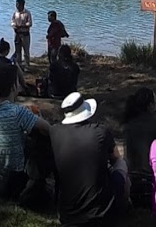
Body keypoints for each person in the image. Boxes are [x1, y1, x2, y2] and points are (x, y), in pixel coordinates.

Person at [50, 92, 131, 225]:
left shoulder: (54, 132)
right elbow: (116, 158)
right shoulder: (100, 131)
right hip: (101, 213)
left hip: (66, 214)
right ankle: (123, 205)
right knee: (122, 163)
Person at [0, 63, 52, 204]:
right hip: (11, 180)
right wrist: (39, 116)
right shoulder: (18, 112)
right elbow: (49, 129)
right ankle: (39, 184)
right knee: (42, 140)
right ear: (14, 86)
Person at [122, 87, 156, 210]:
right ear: (151, 105)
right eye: (155, 100)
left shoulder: (129, 124)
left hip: (132, 180)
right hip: (152, 180)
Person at [12, 0, 34, 68]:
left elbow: (30, 23)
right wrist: (14, 26)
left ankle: (27, 65)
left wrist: (22, 26)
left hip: (25, 34)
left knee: (26, 50)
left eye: (18, 4)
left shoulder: (27, 13)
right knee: (17, 50)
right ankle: (19, 65)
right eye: (16, 4)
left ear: (22, 5)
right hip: (17, 34)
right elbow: (12, 21)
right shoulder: (15, 13)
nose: (16, 6)